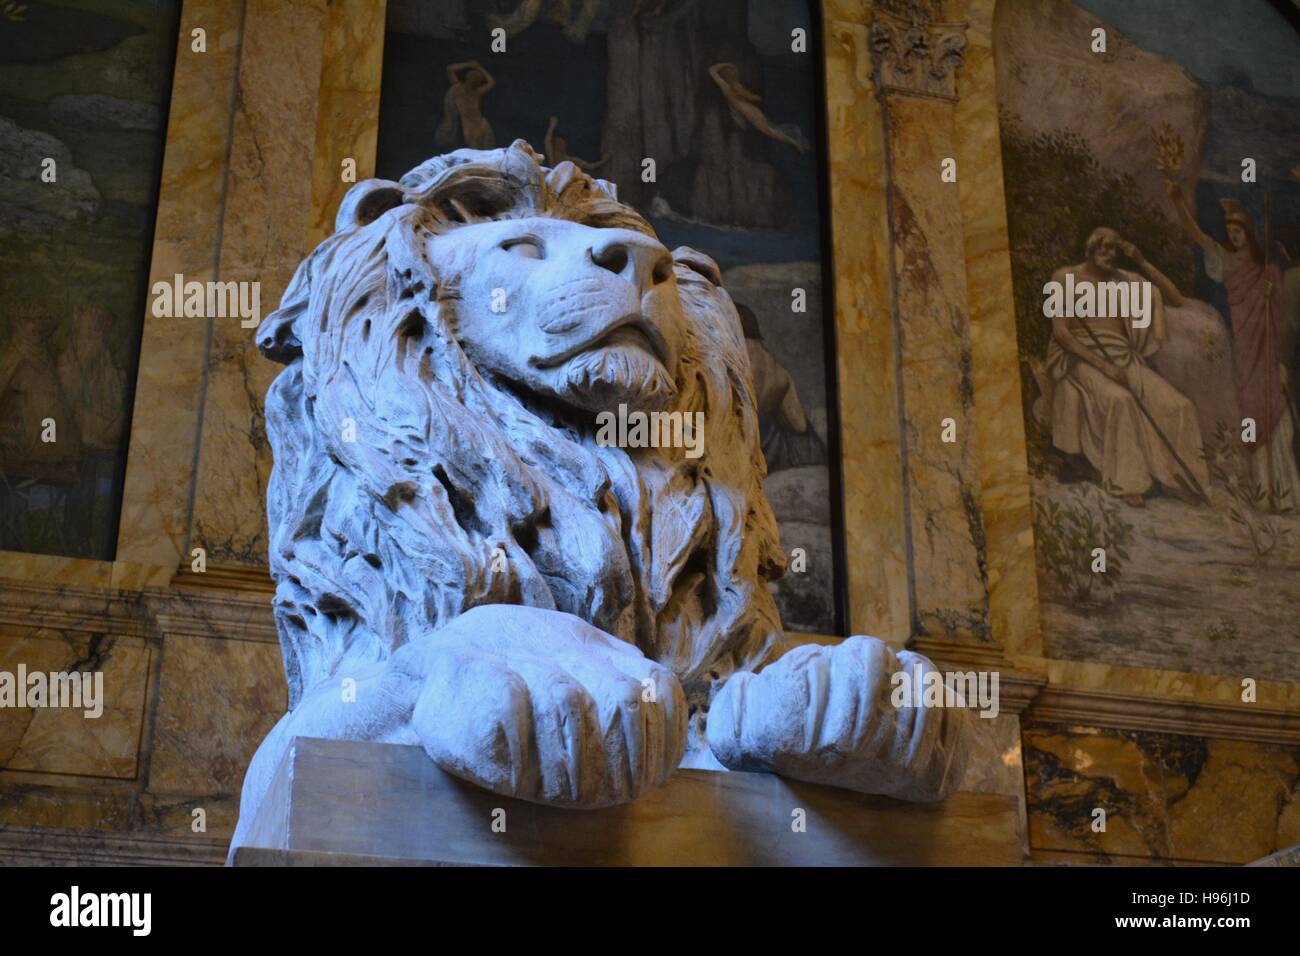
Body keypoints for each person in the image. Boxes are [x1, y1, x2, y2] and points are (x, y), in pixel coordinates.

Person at [1042, 227, 1208, 507]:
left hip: (1125, 359)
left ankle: (1182, 479)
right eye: (1104, 248)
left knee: (1180, 406)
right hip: (1081, 359)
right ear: (1091, 248)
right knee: (1121, 400)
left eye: (1116, 250)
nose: (1110, 254)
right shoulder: (1065, 277)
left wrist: (1141, 261)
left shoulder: (1126, 281)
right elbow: (1062, 333)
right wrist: (1103, 367)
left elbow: (1175, 298)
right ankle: (1128, 481)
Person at [1168, 185, 1299, 513]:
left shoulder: (1269, 269)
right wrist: (1178, 201)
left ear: (1249, 233)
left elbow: (1282, 316)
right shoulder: (1225, 261)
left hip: (1268, 346)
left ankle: (1284, 495)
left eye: (1238, 230)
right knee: (1252, 408)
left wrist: (1272, 291)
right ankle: (1261, 493)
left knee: (1277, 410)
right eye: (1229, 231)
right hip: (1245, 347)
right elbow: (1199, 236)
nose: (1234, 236)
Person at [707, 62, 807, 153]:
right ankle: (798, 140)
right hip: (752, 111)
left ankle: (795, 142)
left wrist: (727, 64)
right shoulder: (734, 88)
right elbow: (734, 107)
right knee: (772, 128)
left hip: (750, 113)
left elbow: (711, 70)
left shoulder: (726, 87)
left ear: (723, 77)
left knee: (770, 131)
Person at [435, 61, 496, 151]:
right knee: (474, 148)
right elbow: (450, 69)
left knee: (482, 148)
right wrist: (469, 64)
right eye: (473, 75)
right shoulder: (457, 88)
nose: (474, 77)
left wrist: (479, 68)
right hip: (467, 124)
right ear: (467, 76)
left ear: (479, 81)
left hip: (480, 123)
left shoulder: (477, 92)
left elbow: (491, 82)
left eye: (477, 77)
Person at [544, 116, 609, 173]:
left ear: (564, 146)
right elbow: (547, 141)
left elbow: (590, 166)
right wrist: (551, 127)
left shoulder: (570, 160)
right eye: (557, 143)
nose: (558, 145)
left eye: (560, 143)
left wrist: (604, 160)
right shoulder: (553, 157)